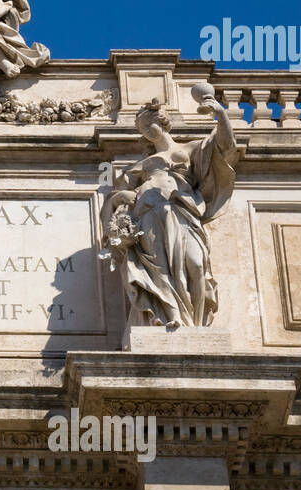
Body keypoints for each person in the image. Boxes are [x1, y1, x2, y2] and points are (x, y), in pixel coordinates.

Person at [102, 95, 238, 328]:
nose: (146, 131)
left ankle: (194, 323)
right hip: (149, 214)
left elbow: (226, 147)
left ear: (163, 121)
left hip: (181, 213)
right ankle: (172, 316)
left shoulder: (190, 149)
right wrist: (120, 199)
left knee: (195, 264)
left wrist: (221, 114)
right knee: (160, 270)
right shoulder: (137, 167)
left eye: (149, 124)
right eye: (141, 128)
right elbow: (116, 200)